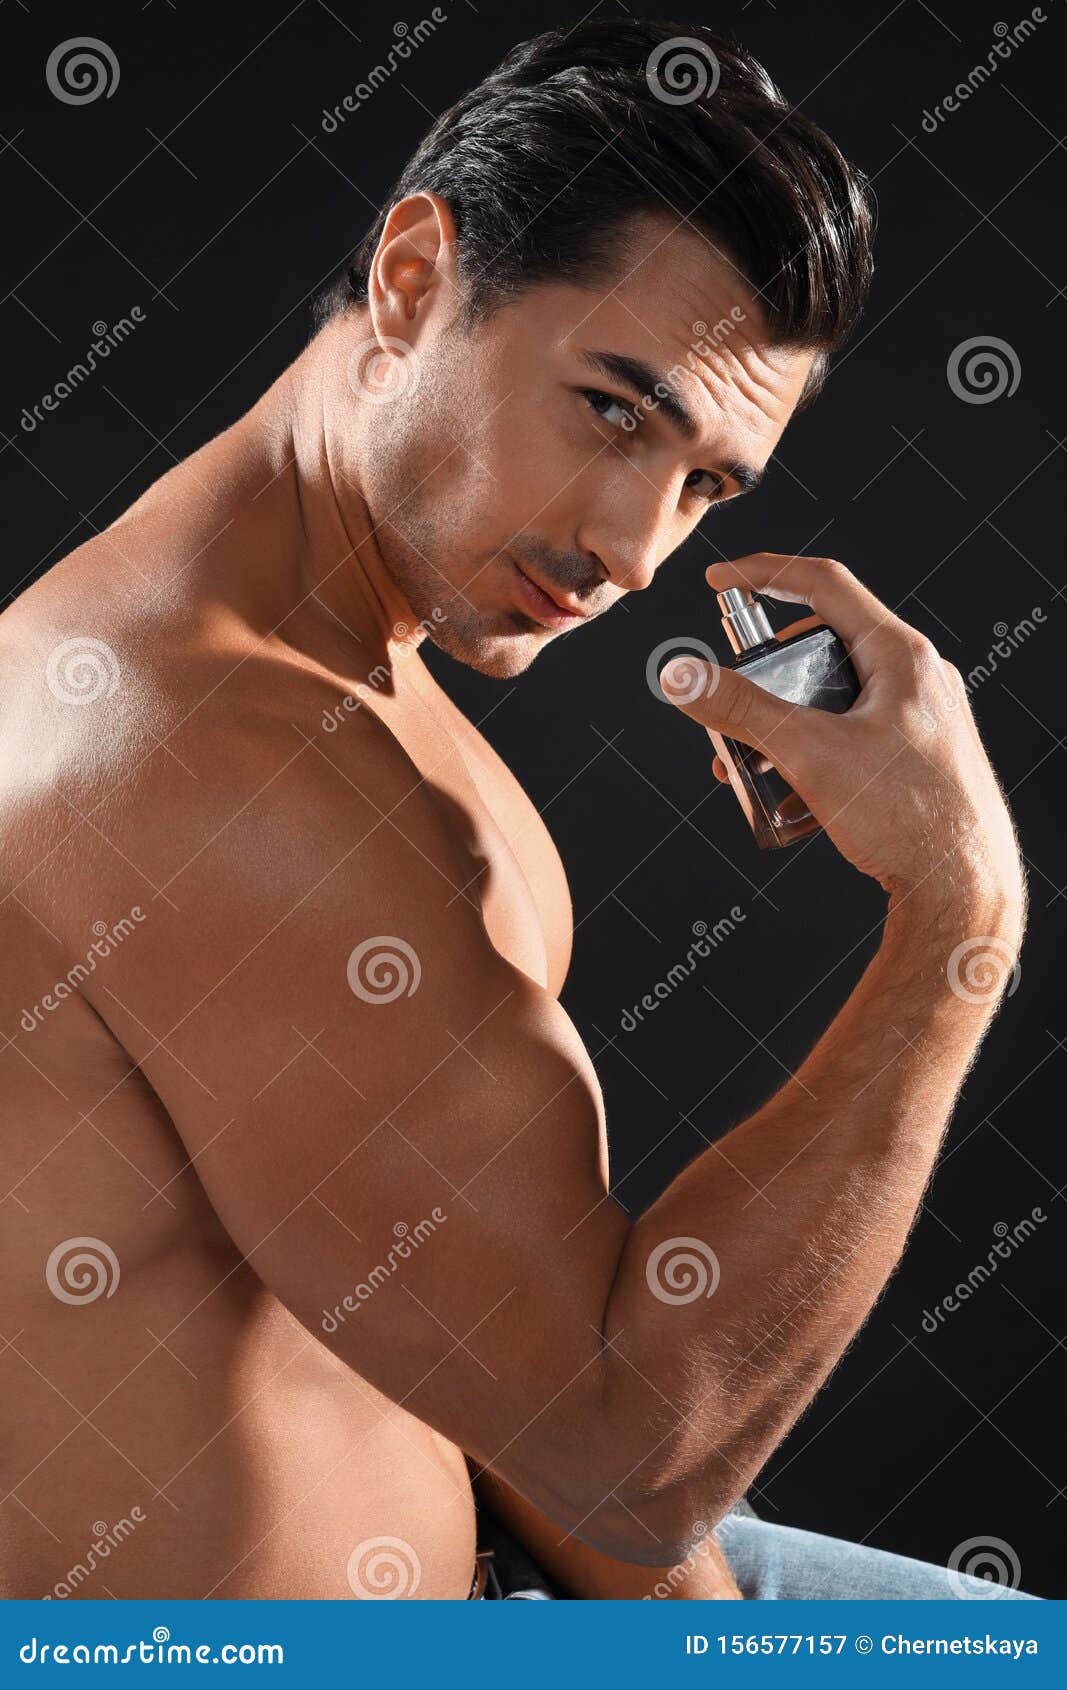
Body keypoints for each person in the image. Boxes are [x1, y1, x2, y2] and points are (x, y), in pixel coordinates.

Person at [0, 19, 1033, 1601]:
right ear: (413, 277)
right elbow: (628, 1453)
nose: (635, 548)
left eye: (704, 486)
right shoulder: (220, 761)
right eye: (616, 411)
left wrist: (711, 1634)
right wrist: (960, 922)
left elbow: (543, 1423)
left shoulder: (347, 683)